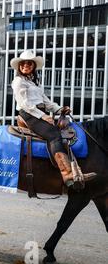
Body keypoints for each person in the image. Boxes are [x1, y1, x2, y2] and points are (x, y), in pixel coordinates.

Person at [10, 50, 96, 189]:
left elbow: (47, 102)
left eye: (29, 63)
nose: (26, 65)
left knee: (62, 131)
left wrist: (59, 109)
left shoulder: (35, 83)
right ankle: (67, 173)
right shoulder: (18, 81)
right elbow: (25, 104)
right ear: (19, 65)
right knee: (54, 135)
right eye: (23, 63)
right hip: (28, 114)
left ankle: (75, 168)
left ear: (33, 66)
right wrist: (44, 116)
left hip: (38, 112)